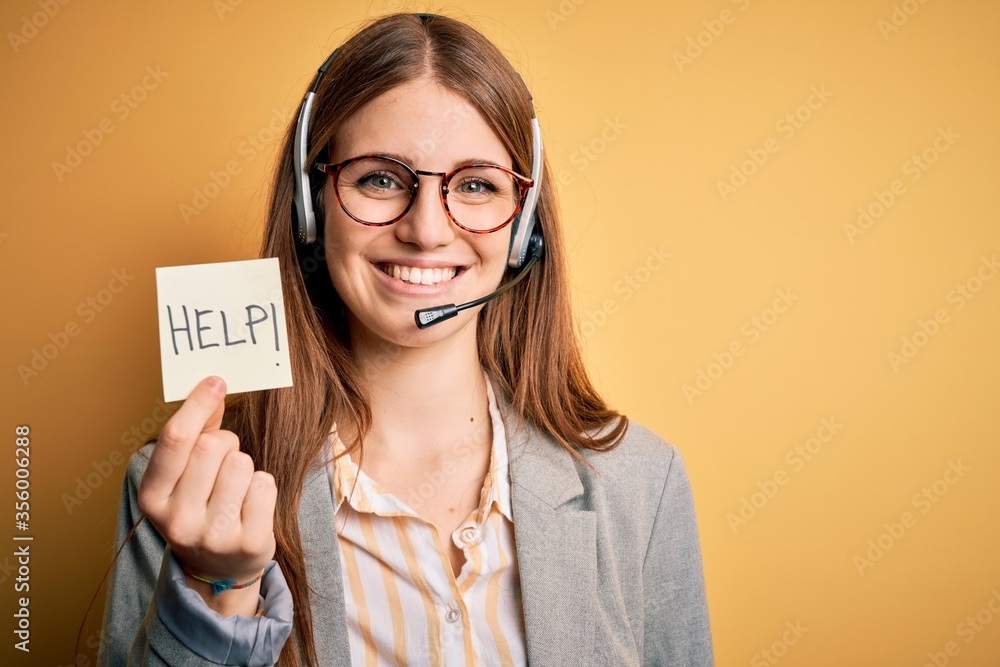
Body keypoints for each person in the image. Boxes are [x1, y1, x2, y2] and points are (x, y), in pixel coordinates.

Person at [97, 12, 713, 667]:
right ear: (313, 205)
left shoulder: (644, 484)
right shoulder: (183, 492)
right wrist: (220, 590)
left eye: (476, 184)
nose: (426, 229)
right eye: (380, 178)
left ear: (524, 225)